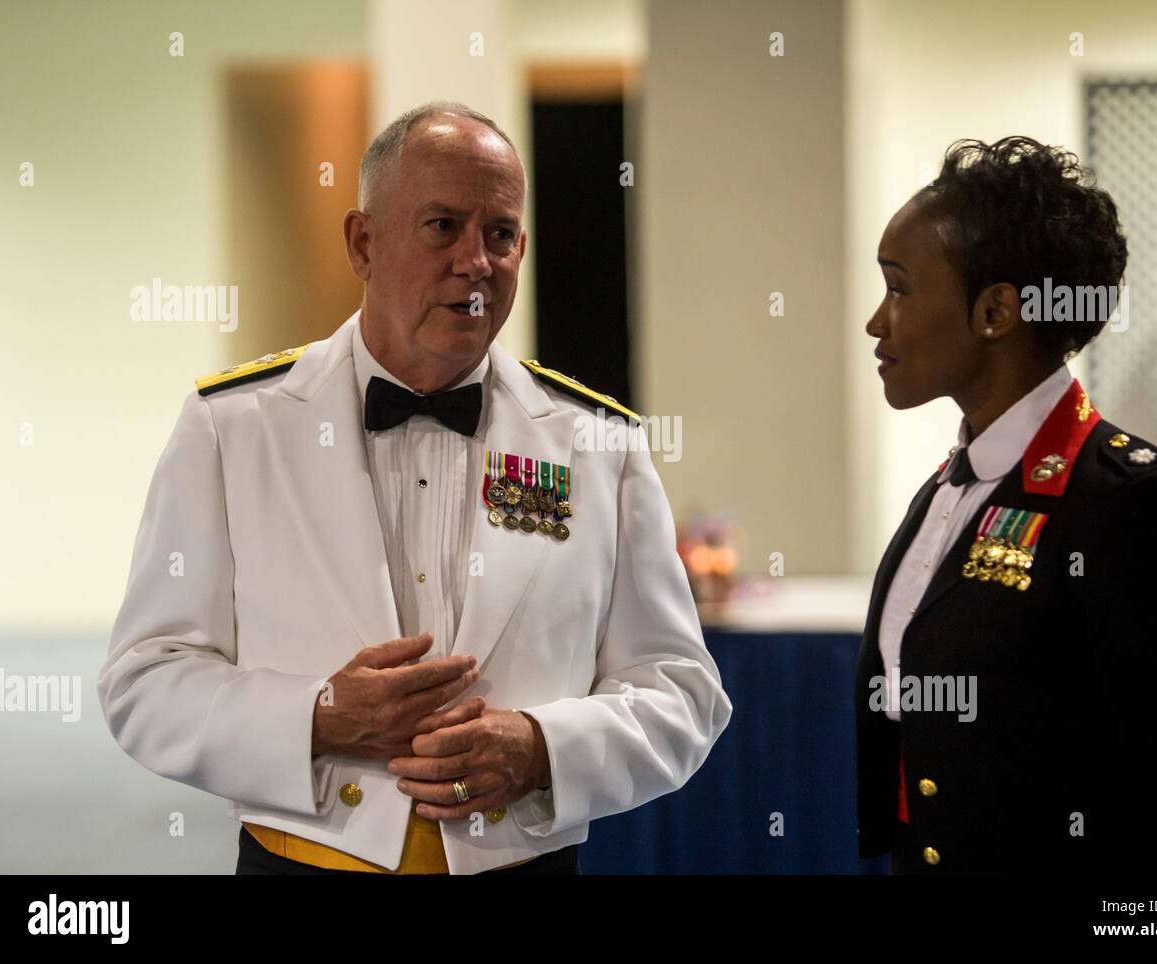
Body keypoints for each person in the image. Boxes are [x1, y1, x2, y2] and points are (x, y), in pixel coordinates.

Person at [98, 102, 731, 875]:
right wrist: (318, 717)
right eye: (442, 226)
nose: (476, 261)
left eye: (500, 234)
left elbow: (682, 693)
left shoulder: (598, 443)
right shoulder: (234, 427)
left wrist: (541, 749)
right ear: (363, 243)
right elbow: (144, 681)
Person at [855, 136, 1157, 874]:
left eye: (899, 287)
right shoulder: (957, 484)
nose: (876, 322)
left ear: (995, 311)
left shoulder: (1131, 505)